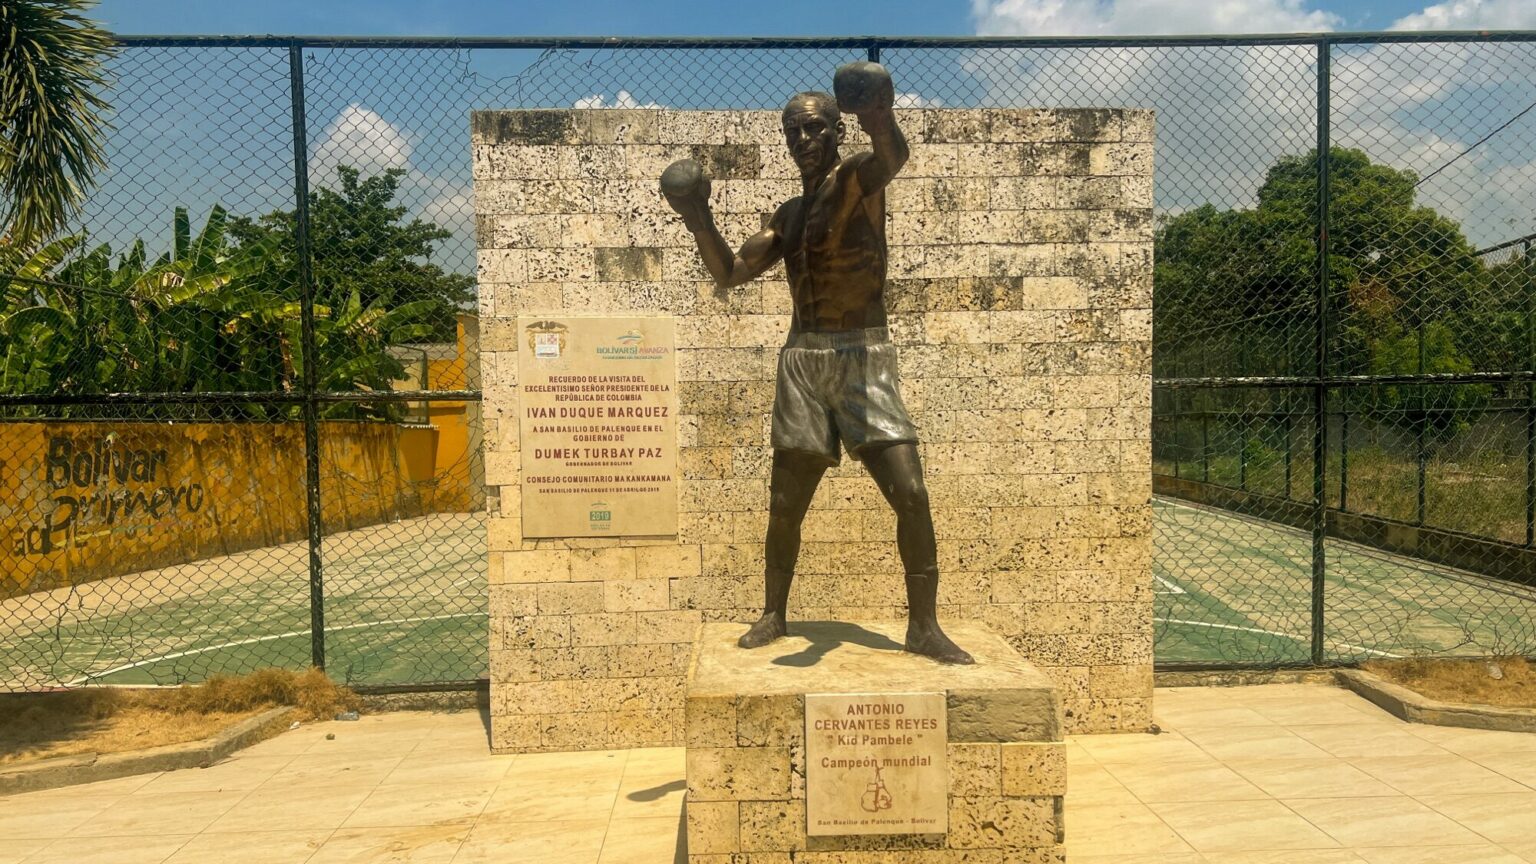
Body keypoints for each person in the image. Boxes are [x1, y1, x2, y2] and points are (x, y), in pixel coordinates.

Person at [660, 62, 972, 664]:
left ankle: (923, 626)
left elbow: (891, 158)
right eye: (793, 133)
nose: (803, 141)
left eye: (814, 129)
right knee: (784, 502)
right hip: (803, 362)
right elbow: (729, 274)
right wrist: (696, 215)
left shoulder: (856, 180)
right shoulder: (788, 216)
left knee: (910, 493)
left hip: (863, 356)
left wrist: (877, 112)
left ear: (835, 132)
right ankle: (774, 613)